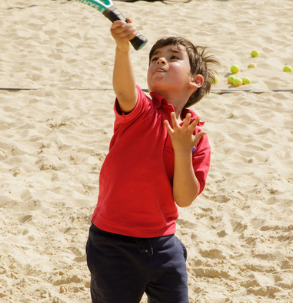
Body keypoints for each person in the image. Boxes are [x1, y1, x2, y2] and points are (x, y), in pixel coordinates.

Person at [88, 20, 218, 302]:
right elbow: (124, 90)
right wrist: (122, 49)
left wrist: (183, 152)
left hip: (163, 245)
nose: (160, 60)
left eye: (173, 57)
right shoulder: (141, 109)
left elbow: (183, 199)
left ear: (195, 80)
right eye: (154, 58)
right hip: (112, 243)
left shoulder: (197, 137)